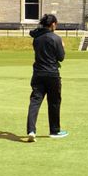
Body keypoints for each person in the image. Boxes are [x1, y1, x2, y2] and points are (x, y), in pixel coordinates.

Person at [24, 13, 67, 141]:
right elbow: (61, 57)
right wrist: (62, 47)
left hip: (38, 73)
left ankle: (31, 130)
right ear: (53, 24)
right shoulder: (56, 38)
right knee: (54, 102)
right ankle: (54, 130)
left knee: (35, 101)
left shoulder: (36, 38)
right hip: (52, 74)